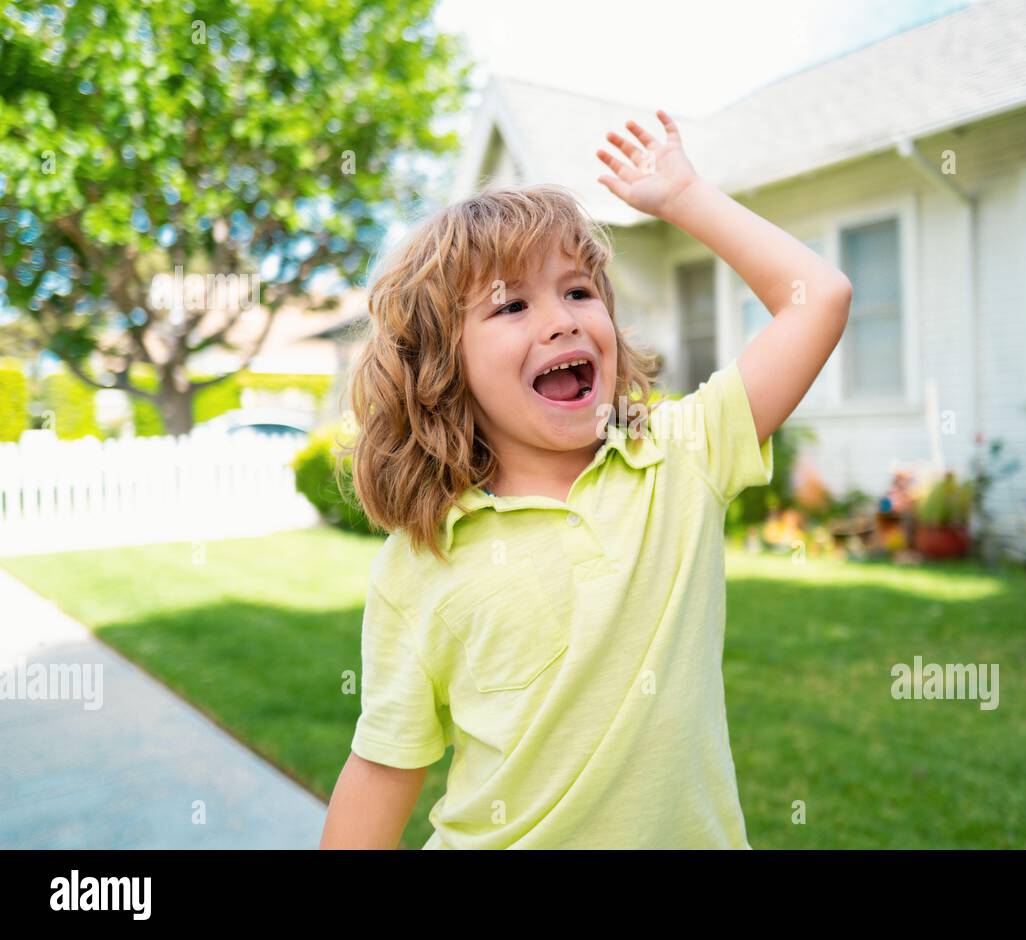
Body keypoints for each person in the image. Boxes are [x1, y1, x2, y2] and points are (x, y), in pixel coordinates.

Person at [319, 110, 852, 848]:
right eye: (512, 305)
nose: (563, 321)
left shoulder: (679, 458)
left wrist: (685, 197)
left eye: (577, 292)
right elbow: (382, 769)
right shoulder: (422, 562)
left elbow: (818, 298)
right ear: (444, 371)